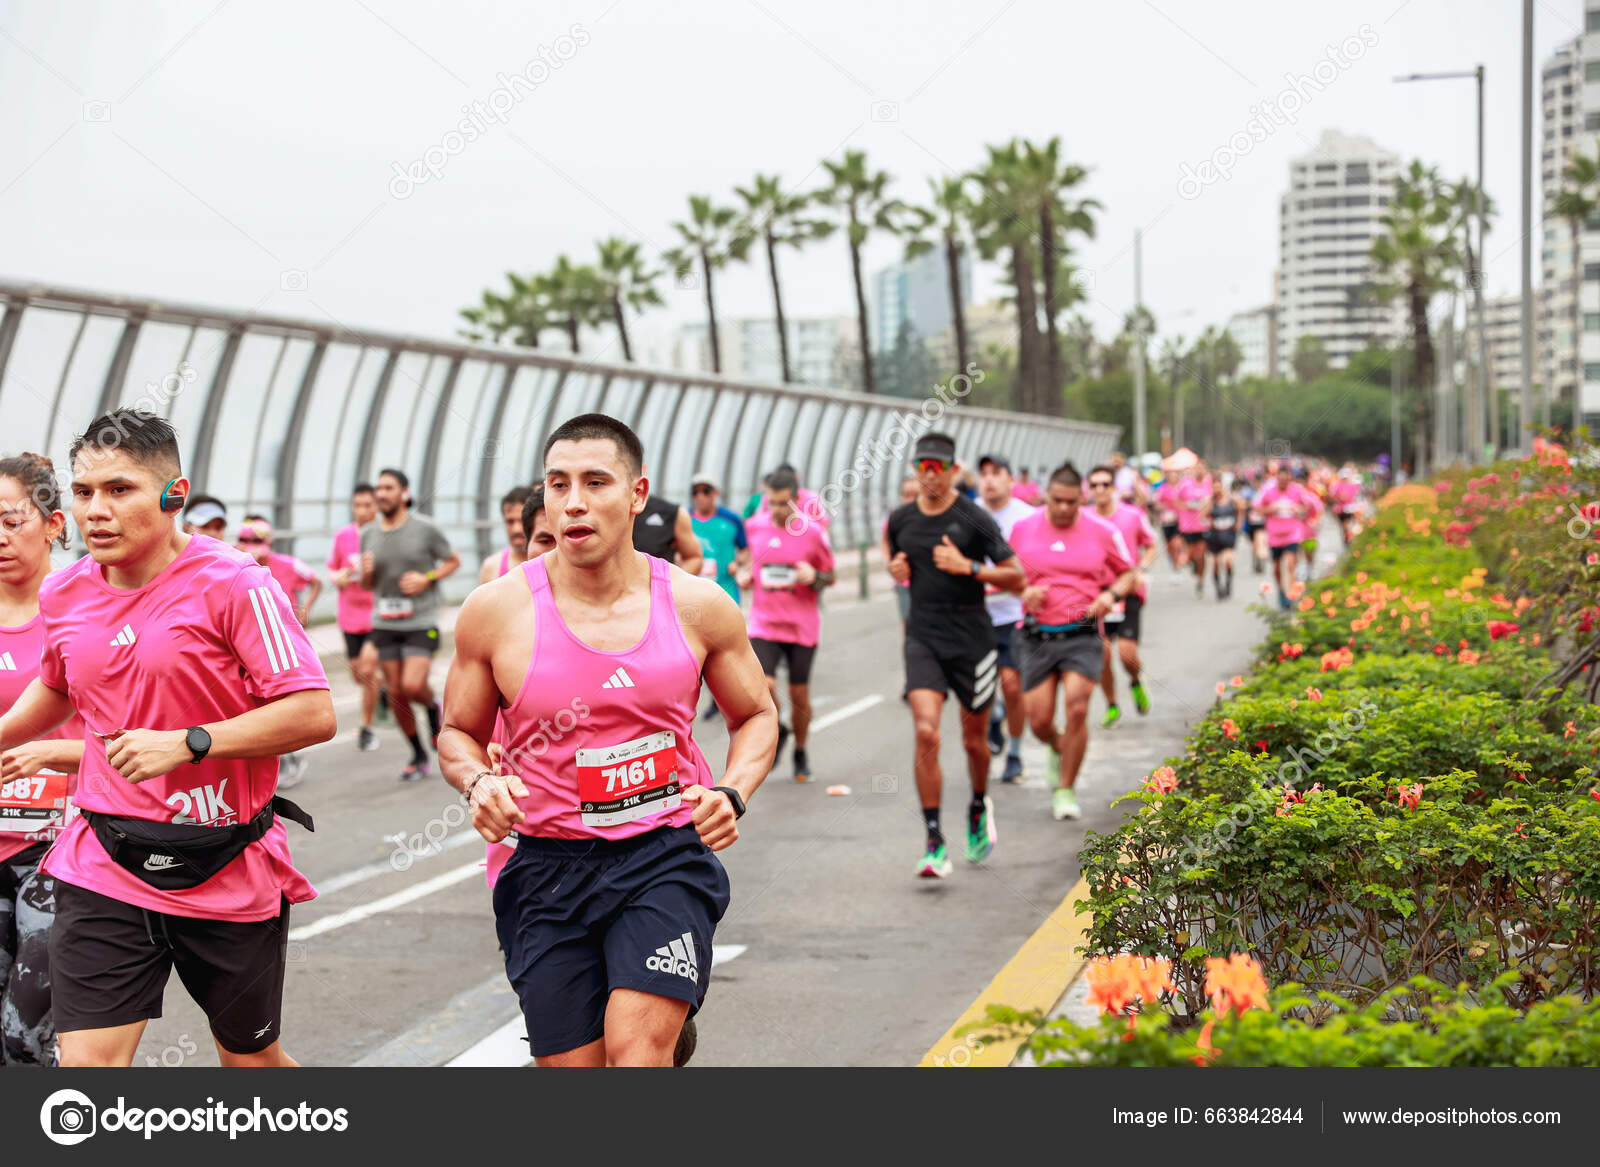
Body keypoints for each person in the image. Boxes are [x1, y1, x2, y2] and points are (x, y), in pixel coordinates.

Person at [439, 412, 778, 1067]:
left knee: (636, 1050)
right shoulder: (495, 610)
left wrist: (733, 790)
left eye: (595, 481)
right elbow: (458, 732)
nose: (573, 501)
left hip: (663, 855)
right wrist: (479, 781)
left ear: (637, 494)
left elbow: (756, 714)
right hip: (546, 868)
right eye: (557, 483)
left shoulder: (697, 605)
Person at [0, 409, 335, 1068]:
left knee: (250, 1059)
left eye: (120, 489)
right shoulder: (66, 592)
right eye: (85, 490)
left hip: (225, 860)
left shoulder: (235, 583)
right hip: (105, 857)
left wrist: (191, 742)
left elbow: (312, 710)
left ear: (173, 494)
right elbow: (59, 687)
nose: (97, 508)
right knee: (87, 1068)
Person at [886, 433, 1023, 878]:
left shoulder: (973, 517)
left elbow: (1018, 576)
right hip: (923, 635)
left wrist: (970, 568)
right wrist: (897, 571)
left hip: (972, 638)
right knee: (926, 732)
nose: (930, 474)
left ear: (952, 470)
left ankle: (979, 806)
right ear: (914, 469)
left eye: (937, 467)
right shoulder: (900, 519)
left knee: (973, 741)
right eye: (922, 466)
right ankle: (933, 840)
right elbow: (898, 563)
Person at [0, 454, 84, 1065]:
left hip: (65, 850)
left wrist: (60, 754)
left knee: (24, 1037)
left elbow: (150, 736)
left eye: (11, 520)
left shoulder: (91, 607)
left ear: (54, 524)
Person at [1008, 463, 1136, 822]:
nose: (1064, 508)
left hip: (1082, 634)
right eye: (1057, 501)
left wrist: (1110, 594)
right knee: (1039, 720)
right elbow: (1005, 571)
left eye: (1071, 502)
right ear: (1045, 496)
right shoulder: (1022, 529)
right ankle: (1057, 744)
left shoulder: (1102, 531)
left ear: (1081, 499)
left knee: (1078, 707)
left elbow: (1128, 572)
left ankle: (1065, 789)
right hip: (1036, 634)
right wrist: (1023, 589)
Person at [360, 467, 461, 781]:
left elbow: (452, 561)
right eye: (379, 488)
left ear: (404, 493)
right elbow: (367, 585)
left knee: (413, 684)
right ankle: (417, 753)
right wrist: (364, 572)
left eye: (389, 488)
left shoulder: (425, 529)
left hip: (421, 618)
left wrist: (426, 578)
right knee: (395, 692)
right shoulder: (368, 534)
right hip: (386, 621)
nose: (382, 494)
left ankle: (432, 708)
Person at [737, 468, 833, 782]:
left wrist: (814, 576)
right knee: (763, 686)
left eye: (783, 504)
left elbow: (829, 576)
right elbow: (749, 562)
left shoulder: (813, 532)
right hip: (765, 623)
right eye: (772, 503)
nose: (777, 510)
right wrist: (745, 573)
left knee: (800, 695)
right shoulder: (754, 527)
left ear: (796, 500)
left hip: (802, 625)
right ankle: (779, 728)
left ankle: (801, 749)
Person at [236, 516, 322, 788]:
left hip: (285, 646)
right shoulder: (232, 565)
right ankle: (278, 757)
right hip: (250, 647)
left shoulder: (288, 564)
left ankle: (291, 756)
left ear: (268, 543)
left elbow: (316, 580)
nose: (251, 546)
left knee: (283, 702)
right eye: (247, 540)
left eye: (257, 541)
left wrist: (305, 609)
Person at [976, 455, 1034, 784]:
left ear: (1011, 479)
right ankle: (994, 715)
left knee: (1012, 686)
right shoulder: (966, 511)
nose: (989, 480)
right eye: (983, 474)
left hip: (1013, 615)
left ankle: (1014, 752)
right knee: (979, 690)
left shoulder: (1026, 517)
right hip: (976, 616)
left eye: (996, 473)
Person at [1086, 464, 1157, 726]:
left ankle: (1136, 681)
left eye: (1105, 484)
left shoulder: (1132, 515)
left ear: (1114, 488)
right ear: (1088, 489)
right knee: (1102, 654)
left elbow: (1150, 545)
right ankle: (1112, 705)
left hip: (1127, 592)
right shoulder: (1083, 518)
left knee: (1126, 653)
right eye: (1094, 485)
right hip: (1097, 595)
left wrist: (1143, 567)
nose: (1100, 489)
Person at [689, 473, 748, 722]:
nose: (701, 496)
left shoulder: (731, 519)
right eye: (697, 491)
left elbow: (745, 549)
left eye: (706, 491)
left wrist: (738, 563)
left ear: (716, 493)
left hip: (725, 592)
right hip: (693, 594)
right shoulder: (685, 520)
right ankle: (694, 700)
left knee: (722, 649)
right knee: (695, 650)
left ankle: (721, 699)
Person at [328, 483, 381, 752]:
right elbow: (332, 571)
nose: (362, 510)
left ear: (376, 507)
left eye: (367, 505)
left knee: (369, 669)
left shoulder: (384, 534)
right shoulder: (343, 536)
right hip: (350, 616)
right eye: (357, 505)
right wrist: (340, 576)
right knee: (358, 675)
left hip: (377, 614)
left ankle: (367, 727)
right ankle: (380, 692)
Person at [1257, 463, 1321, 610]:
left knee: (1291, 563)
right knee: (1278, 568)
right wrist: (1271, 508)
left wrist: (1299, 509)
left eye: (1287, 480)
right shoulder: (1268, 491)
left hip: (1292, 533)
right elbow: (1258, 509)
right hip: (1274, 534)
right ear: (1277, 478)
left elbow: (1308, 506)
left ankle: (1291, 596)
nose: (1284, 482)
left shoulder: (1297, 491)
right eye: (1281, 480)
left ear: (1290, 478)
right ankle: (1281, 591)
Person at [631, 473, 704, 577]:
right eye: (695, 492)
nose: (700, 496)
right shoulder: (606, 512)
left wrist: (665, 584)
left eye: (706, 491)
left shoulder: (673, 513)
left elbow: (694, 558)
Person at [479, 486, 533, 585]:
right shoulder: (491, 567)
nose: (516, 529)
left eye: (522, 520)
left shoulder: (552, 563)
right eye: (510, 521)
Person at [1204, 475, 1244, 600]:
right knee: (1215, 565)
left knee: (1228, 561)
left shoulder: (1232, 500)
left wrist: (1239, 523)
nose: (1216, 490)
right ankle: (1218, 588)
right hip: (1214, 536)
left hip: (1228, 534)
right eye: (1214, 487)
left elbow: (1241, 510)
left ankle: (1228, 583)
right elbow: (1202, 516)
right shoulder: (1209, 501)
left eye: (1218, 487)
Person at [1175, 463, 1212, 597]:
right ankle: (1194, 567)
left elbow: (1214, 501)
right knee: (1190, 555)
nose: (1199, 471)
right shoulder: (1185, 484)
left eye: (1202, 469)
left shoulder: (1209, 484)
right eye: (1197, 469)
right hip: (1187, 526)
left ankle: (1200, 581)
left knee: (1200, 555)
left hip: (1203, 526)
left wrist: (1207, 508)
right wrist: (1186, 506)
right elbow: (1175, 501)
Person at [1153, 474, 1185, 574]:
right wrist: (1163, 506)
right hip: (1166, 521)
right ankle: (1174, 564)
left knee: (1177, 543)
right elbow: (1156, 504)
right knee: (1170, 546)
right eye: (1171, 475)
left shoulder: (1182, 487)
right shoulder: (1162, 489)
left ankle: (1179, 563)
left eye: (1174, 475)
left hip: (1180, 520)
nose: (1173, 477)